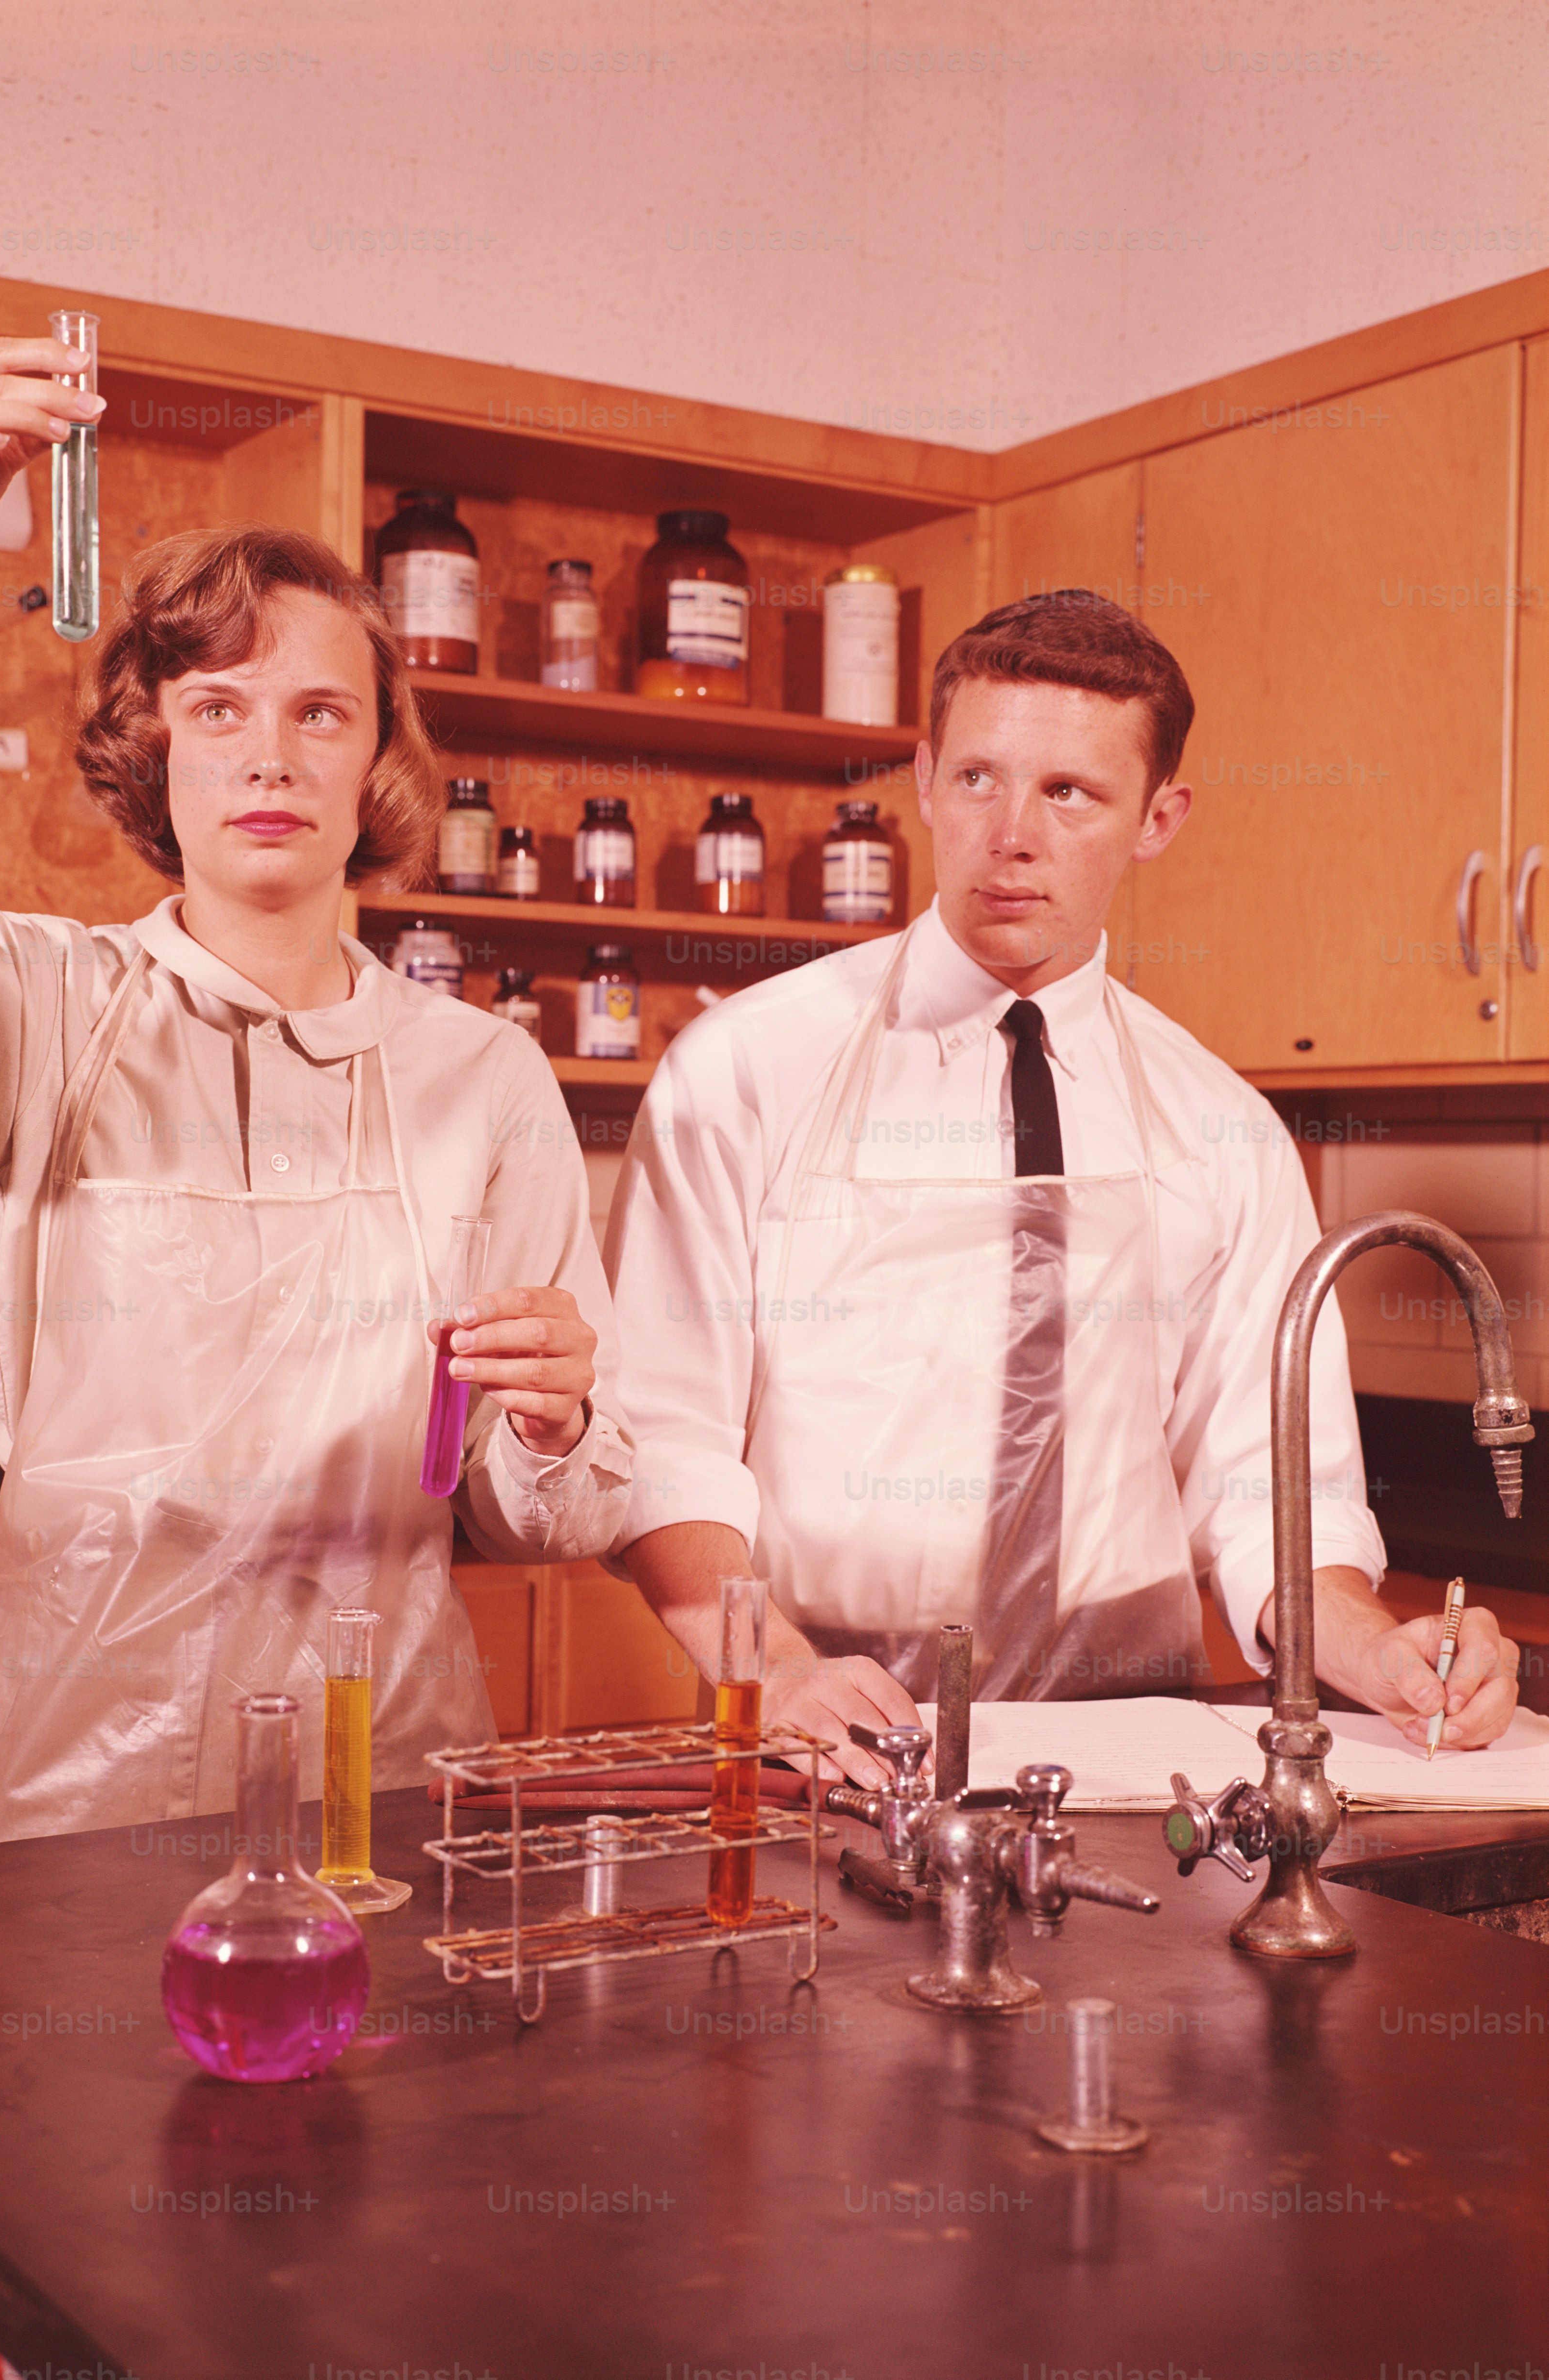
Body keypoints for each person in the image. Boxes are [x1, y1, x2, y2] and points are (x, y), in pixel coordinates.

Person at [0, 332, 633, 1846]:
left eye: (319, 711)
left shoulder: (482, 1074)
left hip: (374, 1767)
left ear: (380, 755)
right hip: (76, 1773)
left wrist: (553, 1417)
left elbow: (548, 1521)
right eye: (217, 708)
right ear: (155, 748)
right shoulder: (38, 1006)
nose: (269, 749)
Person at [605, 592, 1521, 1786]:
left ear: (1157, 818)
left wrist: (1379, 1650)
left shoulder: (1223, 1129)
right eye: (979, 778)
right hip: (814, 1739)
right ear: (925, 779)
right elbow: (664, 1440)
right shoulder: (744, 1070)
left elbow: (1263, 1490)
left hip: (1128, 1767)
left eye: (1071, 793)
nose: (1011, 834)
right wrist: (769, 1667)